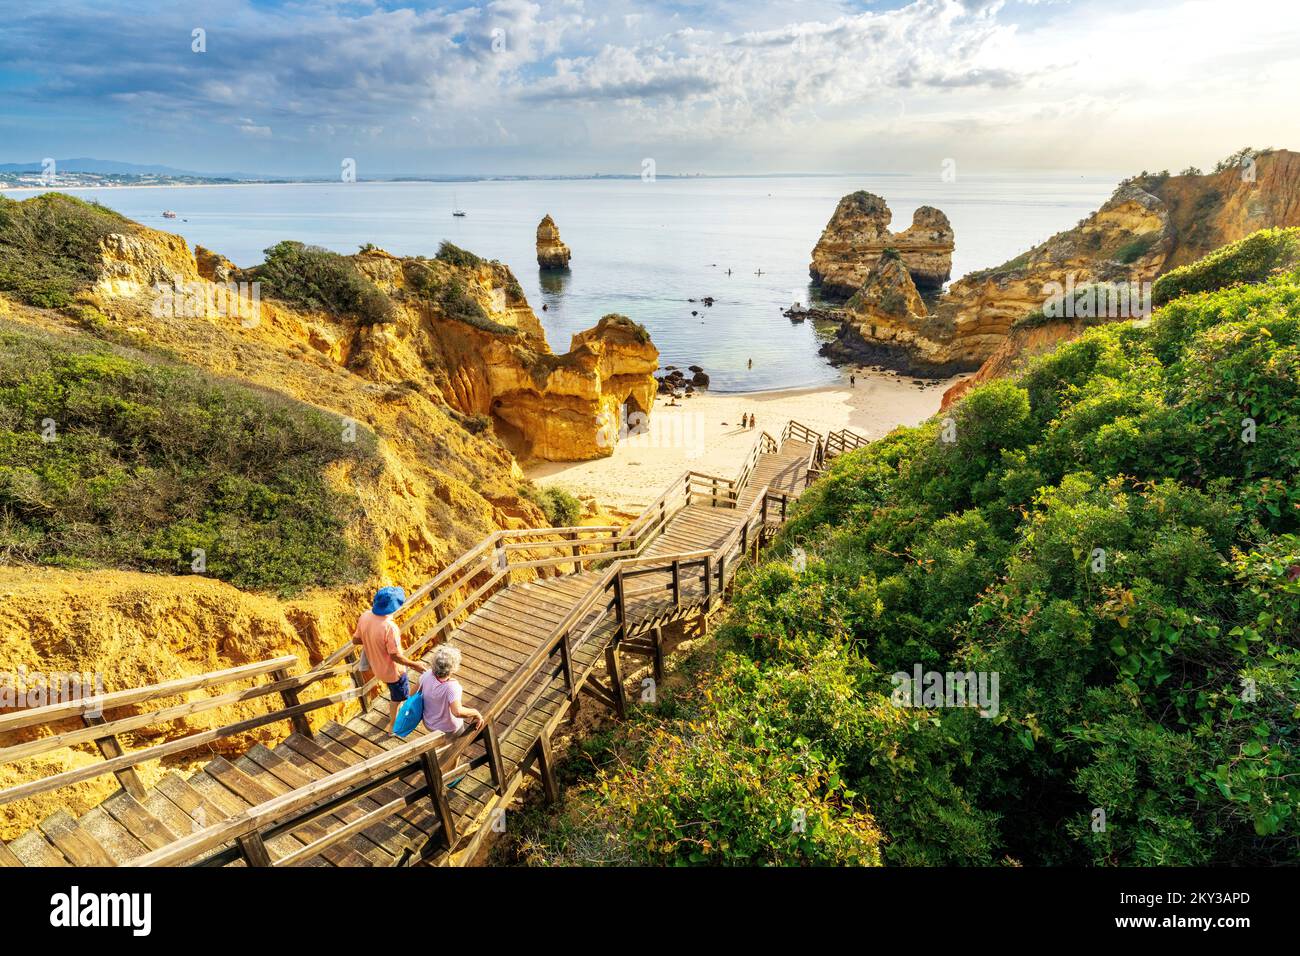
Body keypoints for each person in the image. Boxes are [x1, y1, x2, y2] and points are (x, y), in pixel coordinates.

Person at [353, 586, 426, 733]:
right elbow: (395, 656)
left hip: (377, 667)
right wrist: (414, 665)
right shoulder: (389, 627)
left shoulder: (365, 616)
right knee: (397, 697)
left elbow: (356, 640)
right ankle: (393, 725)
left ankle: (395, 715)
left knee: (395, 693)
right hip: (393, 672)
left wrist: (372, 642)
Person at [418, 645, 484, 737]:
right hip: (447, 728)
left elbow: (413, 694)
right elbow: (457, 712)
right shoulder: (451, 687)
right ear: (452, 668)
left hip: (429, 723)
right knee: (457, 743)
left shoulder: (426, 675)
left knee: (440, 741)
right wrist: (475, 713)